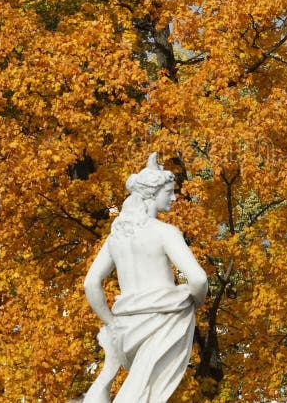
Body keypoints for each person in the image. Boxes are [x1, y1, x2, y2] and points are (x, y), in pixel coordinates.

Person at [83, 153, 208, 403]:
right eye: (169, 191)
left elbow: (91, 283)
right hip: (164, 322)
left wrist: (110, 323)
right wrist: (191, 302)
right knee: (143, 395)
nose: (173, 197)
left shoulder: (116, 238)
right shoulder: (165, 232)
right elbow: (199, 280)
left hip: (127, 326)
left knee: (139, 392)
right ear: (152, 193)